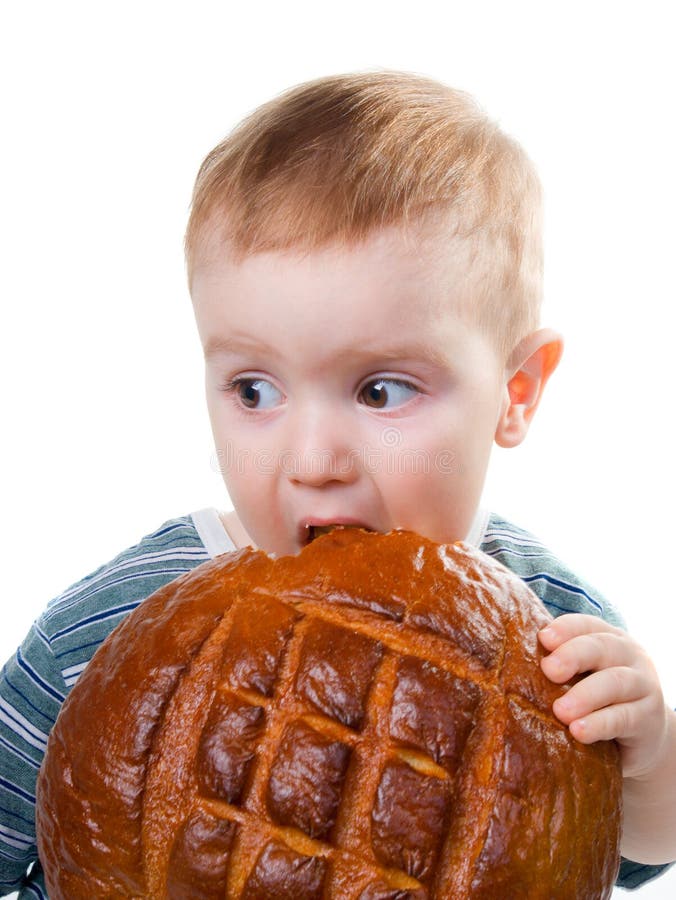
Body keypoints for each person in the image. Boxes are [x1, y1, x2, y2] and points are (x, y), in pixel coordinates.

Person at [1, 70, 674, 897]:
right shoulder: (104, 629)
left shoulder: (557, 635)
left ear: (517, 391)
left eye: (381, 390)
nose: (312, 459)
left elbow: (626, 859)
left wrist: (651, 762)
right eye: (255, 391)